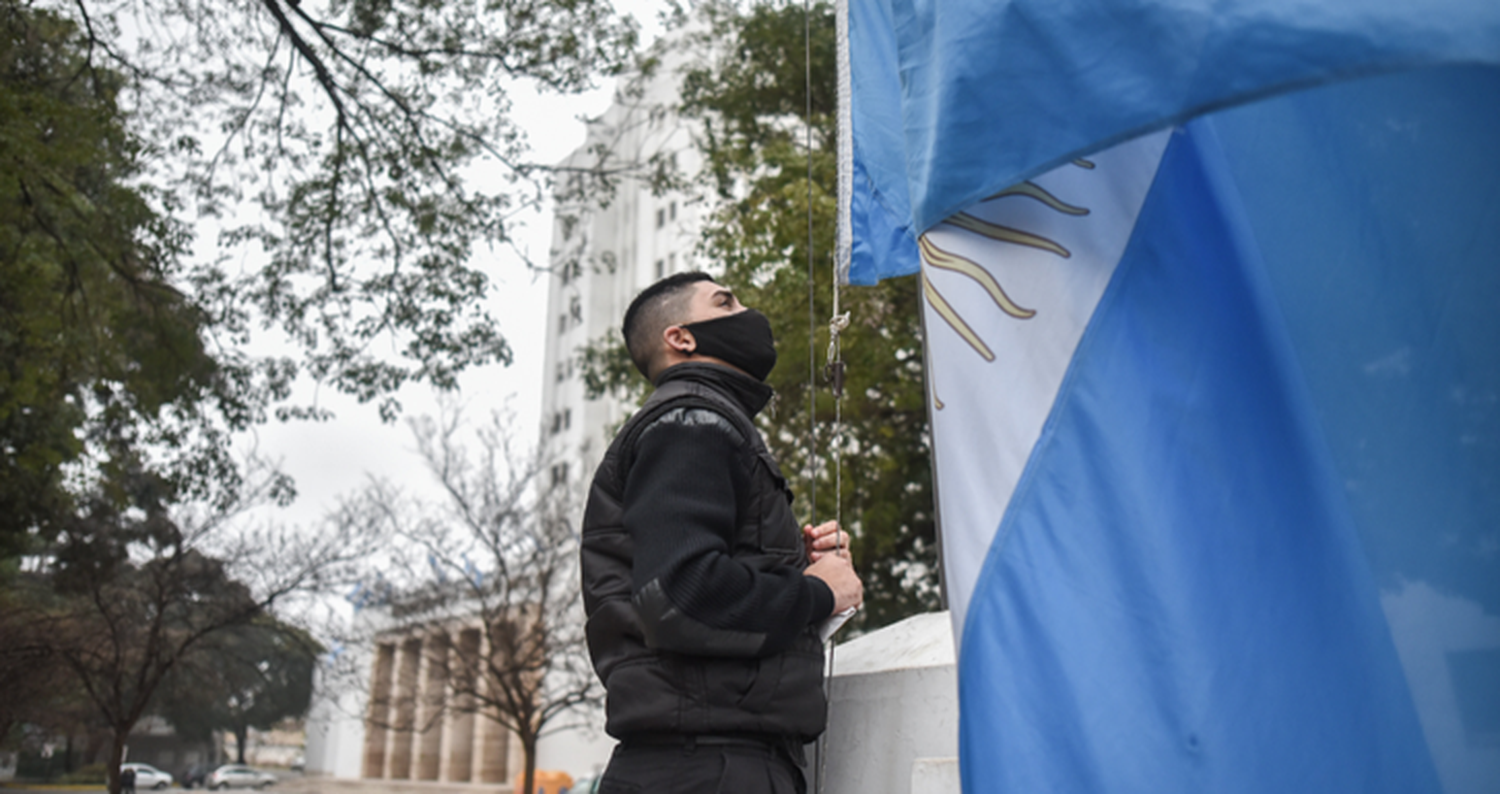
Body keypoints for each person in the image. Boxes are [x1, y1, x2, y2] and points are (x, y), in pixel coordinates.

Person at [581, 272, 864, 794]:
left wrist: (794, 567)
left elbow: (684, 584)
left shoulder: (704, 421)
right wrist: (817, 591)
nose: (748, 313)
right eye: (725, 302)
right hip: (708, 768)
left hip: (705, 761)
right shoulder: (691, 421)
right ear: (681, 337)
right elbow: (681, 594)